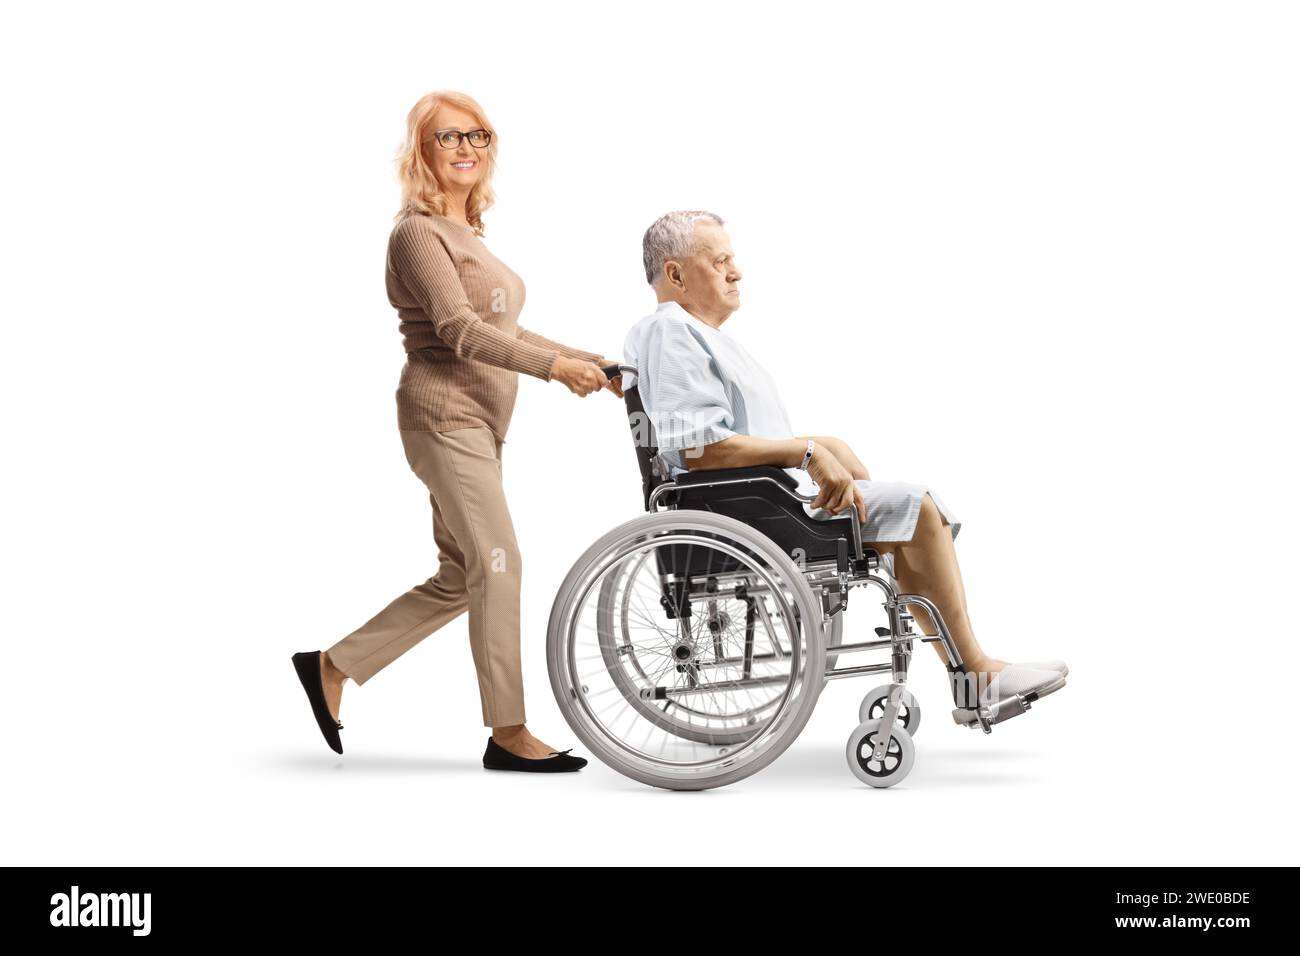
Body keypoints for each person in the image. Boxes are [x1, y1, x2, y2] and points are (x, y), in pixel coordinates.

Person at [293, 91, 621, 772]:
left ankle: (333, 665)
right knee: (501, 564)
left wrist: (592, 361)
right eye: (448, 138)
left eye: (478, 135)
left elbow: (505, 331)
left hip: (480, 424)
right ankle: (509, 732)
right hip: (444, 417)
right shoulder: (417, 233)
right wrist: (555, 370)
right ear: (421, 151)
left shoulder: (468, 233)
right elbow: (458, 331)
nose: (467, 148)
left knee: (463, 572)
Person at [621, 210, 1069, 708]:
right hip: (741, 511)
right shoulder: (671, 332)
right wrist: (808, 450)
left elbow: (725, 441)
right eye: (720, 259)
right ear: (677, 274)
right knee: (915, 507)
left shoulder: (698, 336)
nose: (736, 271)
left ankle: (971, 676)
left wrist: (823, 444)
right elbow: (699, 450)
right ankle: (975, 674)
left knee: (905, 513)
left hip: (761, 501)